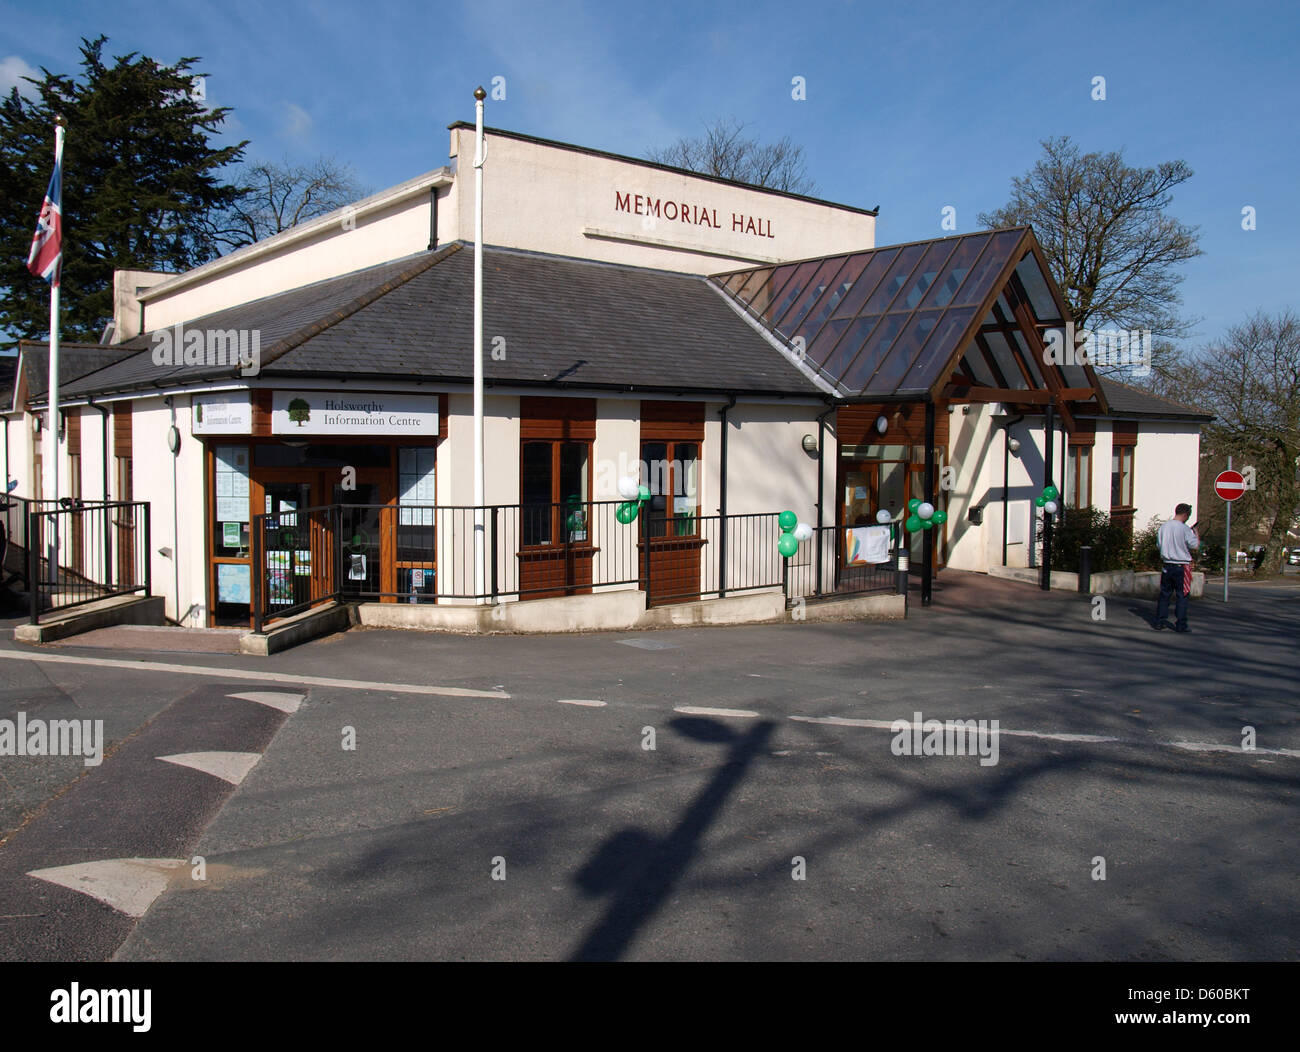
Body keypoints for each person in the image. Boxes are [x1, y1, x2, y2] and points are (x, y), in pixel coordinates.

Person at [1154, 503, 1199, 632]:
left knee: (1164, 595)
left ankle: (1159, 621)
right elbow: (1194, 545)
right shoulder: (1184, 529)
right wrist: (1196, 533)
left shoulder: (1163, 527)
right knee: (1182, 595)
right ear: (1185, 515)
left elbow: (1159, 545)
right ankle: (1181, 624)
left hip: (1167, 565)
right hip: (1181, 566)